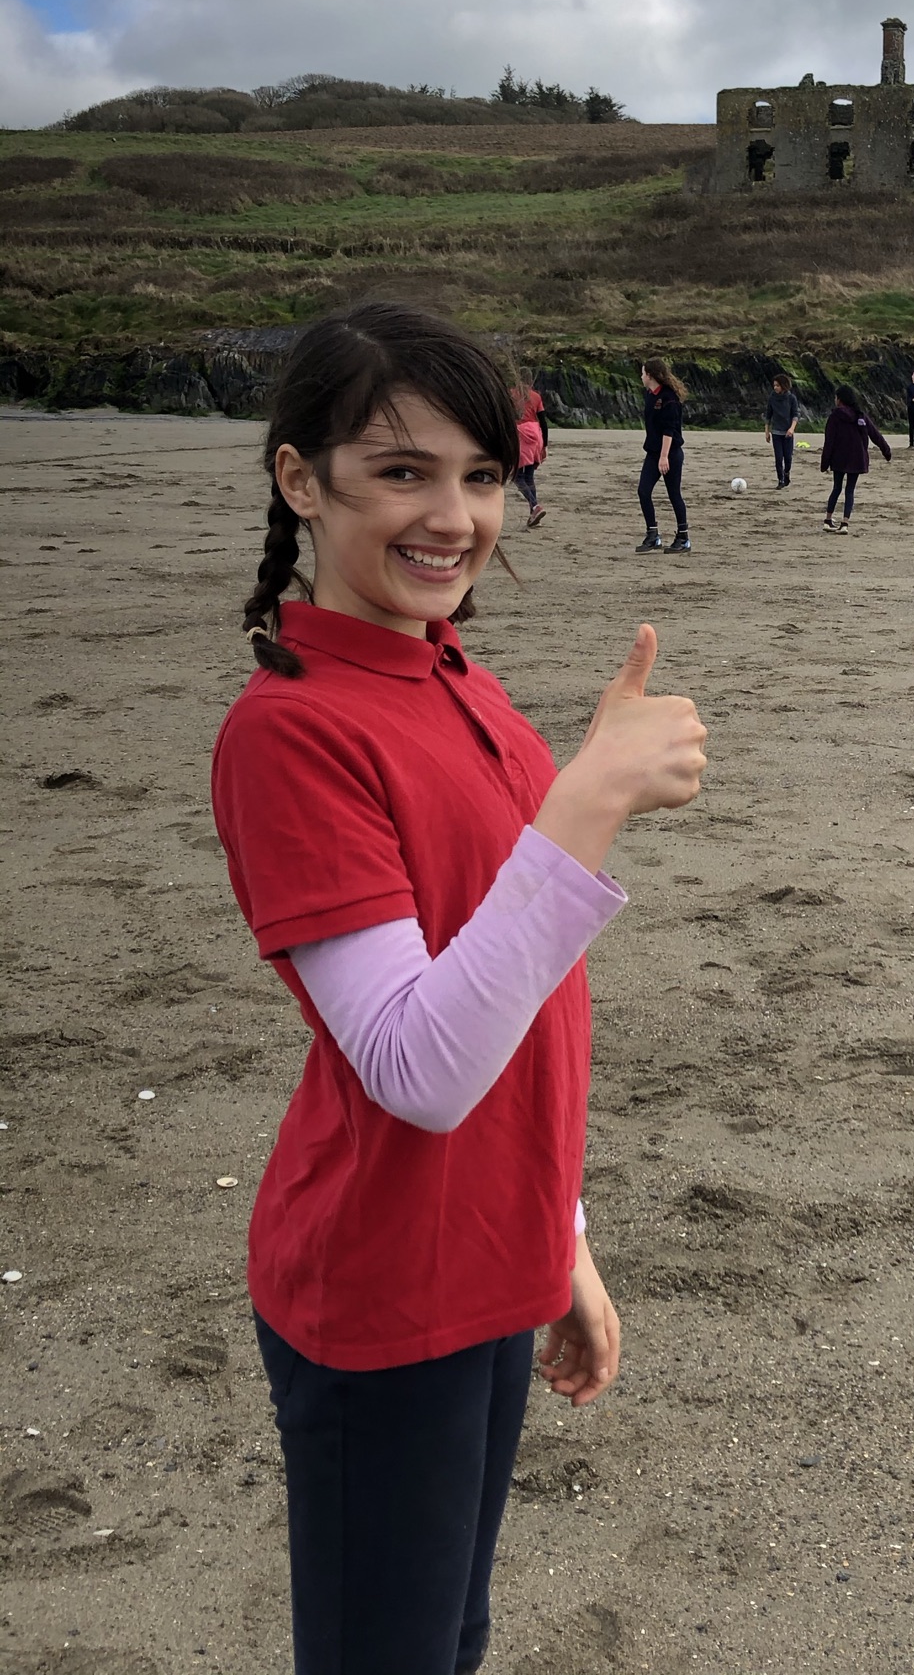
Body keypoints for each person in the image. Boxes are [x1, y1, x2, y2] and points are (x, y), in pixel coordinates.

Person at [213, 299, 709, 1675]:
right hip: (380, 1282)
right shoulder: (293, 730)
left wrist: (561, 1240)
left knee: (451, 1632)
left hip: (491, 1251)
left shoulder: (454, 678)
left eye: (483, 475)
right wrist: (589, 805)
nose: (454, 516)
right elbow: (419, 1069)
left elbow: (524, 1003)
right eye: (401, 472)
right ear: (299, 479)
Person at [821, 383, 892, 532]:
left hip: (839, 457)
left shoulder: (835, 416)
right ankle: (844, 523)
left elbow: (829, 441)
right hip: (857, 457)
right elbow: (875, 435)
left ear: (840, 399)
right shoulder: (861, 415)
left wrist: (824, 463)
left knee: (836, 488)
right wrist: (886, 451)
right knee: (850, 490)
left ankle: (828, 520)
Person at [636, 358, 689, 554]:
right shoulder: (650, 394)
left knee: (674, 494)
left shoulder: (669, 398)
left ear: (649, 375)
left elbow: (669, 430)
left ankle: (683, 537)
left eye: (643, 373)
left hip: (671, 453)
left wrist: (664, 457)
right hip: (653, 452)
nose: (641, 377)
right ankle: (653, 535)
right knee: (643, 491)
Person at [510, 377, 548, 528]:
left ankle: (535, 506)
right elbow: (543, 421)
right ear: (530, 381)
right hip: (535, 434)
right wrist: (544, 444)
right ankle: (533, 512)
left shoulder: (510, 394)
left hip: (520, 434)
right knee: (528, 476)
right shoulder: (536, 396)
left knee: (517, 476)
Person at [765, 373, 801, 488]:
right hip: (776, 432)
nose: (775, 387)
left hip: (788, 433)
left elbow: (795, 415)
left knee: (788, 457)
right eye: (774, 385)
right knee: (778, 458)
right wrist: (767, 431)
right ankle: (780, 480)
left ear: (784, 386)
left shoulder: (791, 398)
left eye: (777, 385)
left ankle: (786, 473)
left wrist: (792, 428)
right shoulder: (772, 398)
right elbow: (768, 415)